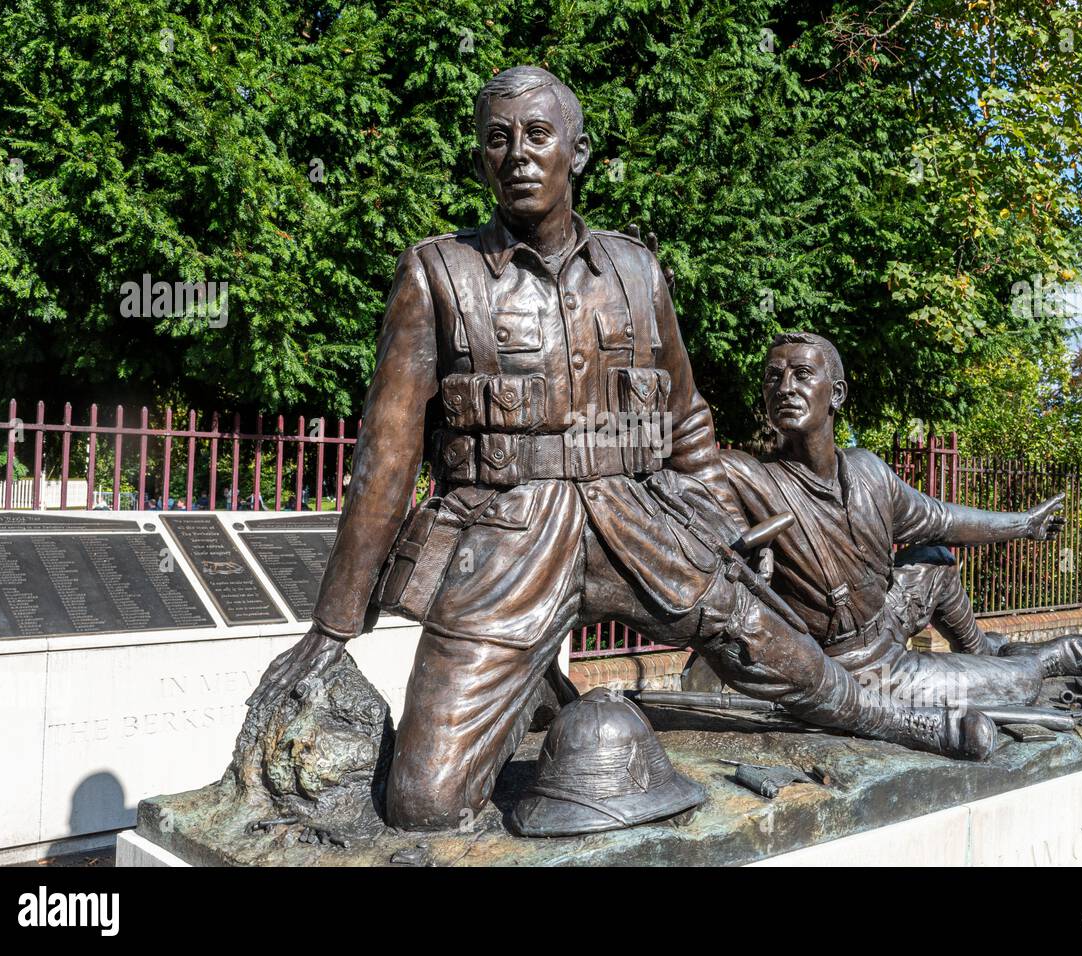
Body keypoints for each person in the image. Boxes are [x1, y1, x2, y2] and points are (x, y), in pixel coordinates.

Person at [247, 67, 996, 832]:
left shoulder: (636, 270)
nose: (518, 155)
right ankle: (526, 695)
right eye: (498, 140)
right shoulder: (439, 273)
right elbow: (385, 457)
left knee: (777, 647)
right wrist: (334, 623)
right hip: (505, 543)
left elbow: (687, 423)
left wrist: (715, 521)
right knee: (424, 803)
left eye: (538, 136)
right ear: (480, 161)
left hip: (636, 524)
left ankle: (893, 719)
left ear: (578, 150)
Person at [718, 332, 1082, 708]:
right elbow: (691, 476)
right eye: (773, 377)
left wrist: (1024, 524)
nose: (784, 387)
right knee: (1019, 683)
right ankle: (1033, 663)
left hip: (884, 621)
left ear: (836, 394)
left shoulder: (868, 470)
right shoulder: (744, 477)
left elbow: (943, 520)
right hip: (854, 668)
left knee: (936, 557)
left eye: (801, 374)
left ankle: (983, 650)